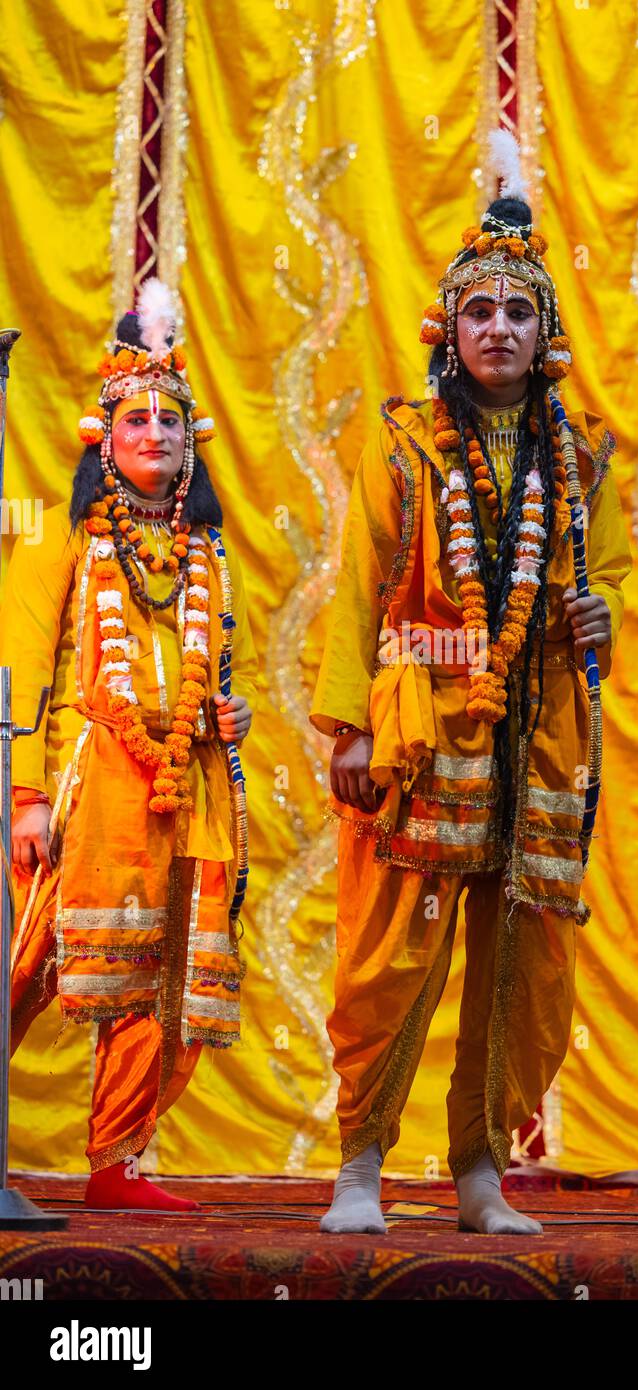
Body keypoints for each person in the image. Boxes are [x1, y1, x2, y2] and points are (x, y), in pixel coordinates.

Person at [310, 132, 633, 1235]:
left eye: (520, 313)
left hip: (537, 734)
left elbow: (614, 585)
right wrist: (346, 724)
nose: (499, 328)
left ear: (547, 338)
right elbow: (357, 591)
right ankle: (360, 1165)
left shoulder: (582, 457)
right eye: (481, 312)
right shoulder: (402, 441)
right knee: (392, 959)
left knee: (520, 966)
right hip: (420, 730)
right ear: (449, 331)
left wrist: (606, 616)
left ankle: (481, 1173)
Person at [1, 279, 259, 1211]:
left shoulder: (207, 556)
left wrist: (228, 718)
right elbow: (20, 674)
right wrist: (23, 799)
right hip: (85, 786)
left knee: (169, 971)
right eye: (136, 419)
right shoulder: (63, 543)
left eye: (173, 421)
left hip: (187, 787)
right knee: (25, 965)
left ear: (194, 443)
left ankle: (115, 1166)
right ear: (103, 440)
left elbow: (213, 670)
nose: (156, 432)